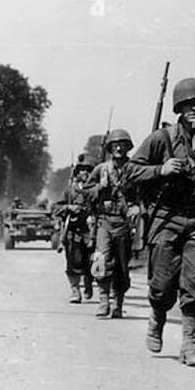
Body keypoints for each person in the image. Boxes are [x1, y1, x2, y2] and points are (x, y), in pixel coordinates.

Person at [125, 77, 195, 365]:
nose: (194, 109)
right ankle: (157, 317)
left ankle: (189, 344)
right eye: (188, 104)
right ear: (179, 108)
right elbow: (130, 172)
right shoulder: (161, 139)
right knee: (162, 285)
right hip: (166, 218)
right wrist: (160, 170)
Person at [86, 129, 136, 319]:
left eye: (122, 144)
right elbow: (86, 192)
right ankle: (103, 299)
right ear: (109, 148)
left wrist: (136, 207)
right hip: (104, 221)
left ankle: (118, 303)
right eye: (114, 144)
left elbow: (143, 192)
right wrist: (101, 187)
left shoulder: (134, 168)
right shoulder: (101, 169)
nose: (118, 147)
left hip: (124, 223)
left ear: (127, 147)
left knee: (123, 265)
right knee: (99, 259)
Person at [53, 155, 96, 303]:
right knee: (74, 262)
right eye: (82, 170)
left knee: (96, 261)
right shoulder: (70, 191)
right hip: (74, 232)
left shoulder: (97, 190)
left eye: (88, 170)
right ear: (77, 174)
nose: (85, 173)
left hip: (92, 231)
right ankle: (75, 290)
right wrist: (69, 207)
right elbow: (56, 208)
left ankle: (90, 283)